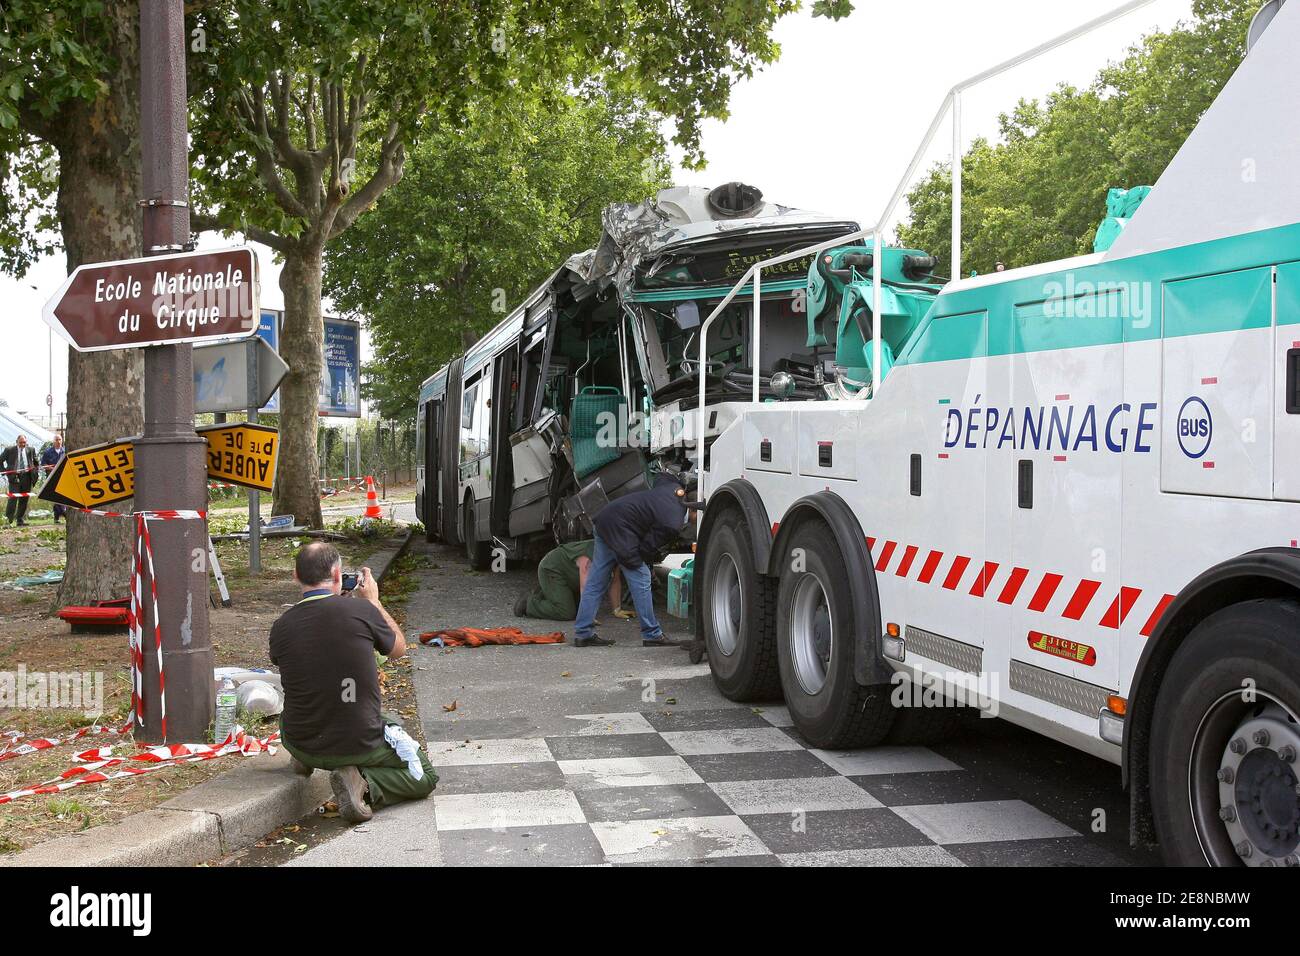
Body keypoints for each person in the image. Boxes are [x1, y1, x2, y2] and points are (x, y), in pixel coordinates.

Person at [269, 542, 437, 823]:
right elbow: (398, 649)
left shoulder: (281, 626)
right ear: (337, 575)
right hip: (358, 741)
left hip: (299, 739)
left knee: (300, 698)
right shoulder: (362, 611)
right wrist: (373, 602)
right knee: (425, 774)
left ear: (295, 576)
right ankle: (364, 782)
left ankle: (304, 759)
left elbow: (293, 656)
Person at [572, 472, 690, 648]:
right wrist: (646, 565)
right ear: (692, 509)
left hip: (605, 520)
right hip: (621, 529)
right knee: (641, 577)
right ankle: (652, 634)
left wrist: (680, 482)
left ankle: (582, 633)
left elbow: (661, 477)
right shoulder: (673, 521)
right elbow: (647, 547)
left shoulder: (672, 489)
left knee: (596, 580)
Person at [514, 538, 624, 622]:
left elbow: (615, 580)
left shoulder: (613, 552)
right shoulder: (593, 552)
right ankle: (528, 603)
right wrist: (587, 616)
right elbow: (586, 586)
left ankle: (548, 593)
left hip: (569, 577)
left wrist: (617, 609)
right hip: (552, 569)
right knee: (565, 612)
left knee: (575, 609)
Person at [1, 435, 38, 527]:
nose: (23, 444)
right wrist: (4, 471)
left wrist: (35, 471)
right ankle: (8, 521)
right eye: (21, 442)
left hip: (27, 477)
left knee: (24, 499)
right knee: (13, 499)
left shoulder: (31, 449)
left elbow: (36, 462)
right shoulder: (9, 450)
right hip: (14, 477)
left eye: (24, 442)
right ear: (16, 441)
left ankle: (20, 520)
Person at [40, 434, 66, 522]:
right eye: (56, 440)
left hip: (64, 476)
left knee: (62, 495)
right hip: (52, 476)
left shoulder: (65, 451)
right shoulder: (48, 452)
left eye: (60, 439)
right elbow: (43, 464)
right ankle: (62, 512)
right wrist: (53, 469)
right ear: (53, 441)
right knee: (55, 496)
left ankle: (57, 516)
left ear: (62, 440)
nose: (58, 441)